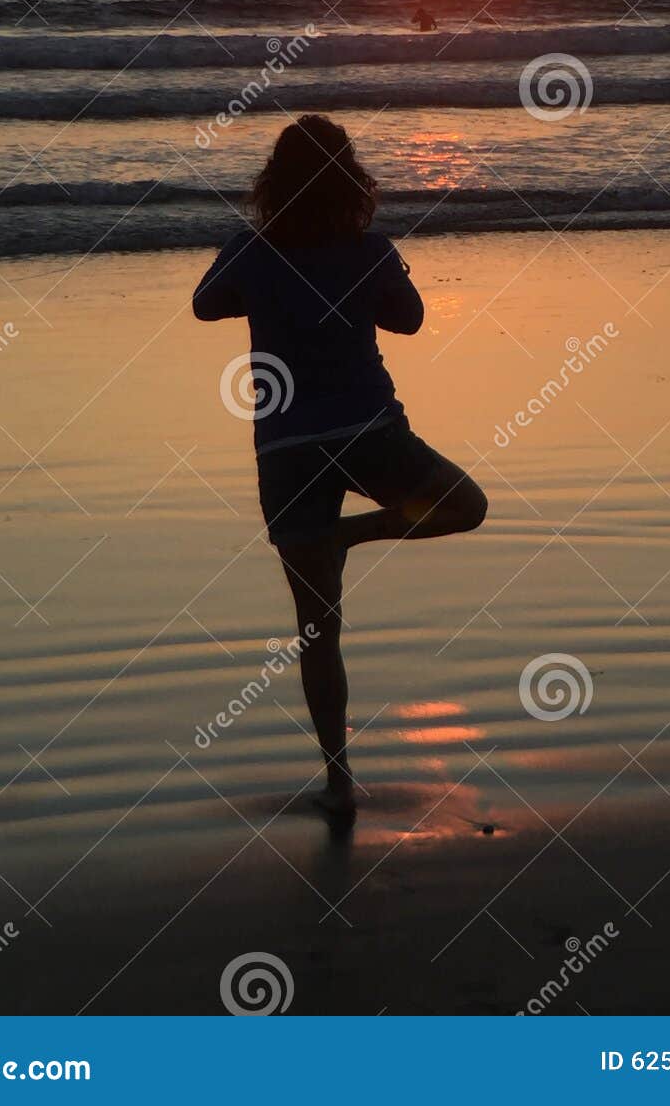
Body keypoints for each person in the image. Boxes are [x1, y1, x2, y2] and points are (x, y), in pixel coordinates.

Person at [192, 115, 487, 819]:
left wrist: (260, 282)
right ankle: (354, 536)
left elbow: (207, 305)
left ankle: (338, 779)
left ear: (273, 183)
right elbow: (410, 320)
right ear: (350, 181)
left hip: (286, 451)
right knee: (465, 505)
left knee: (318, 628)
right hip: (367, 431)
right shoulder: (367, 250)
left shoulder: (252, 249)